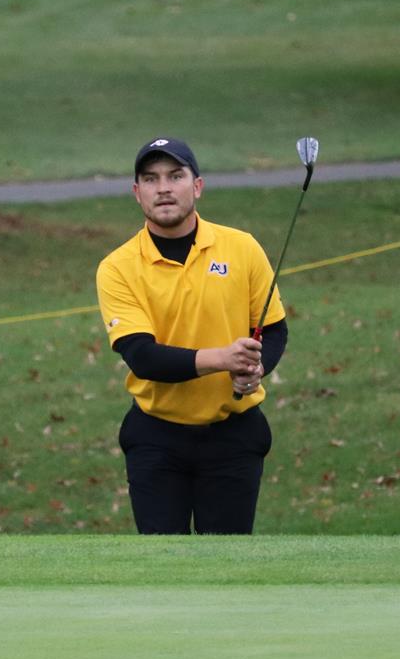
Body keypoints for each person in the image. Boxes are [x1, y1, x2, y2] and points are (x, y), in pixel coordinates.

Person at [95, 137, 289, 534]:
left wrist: (256, 369)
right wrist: (223, 359)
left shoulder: (242, 248)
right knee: (164, 571)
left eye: (175, 176)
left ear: (197, 186)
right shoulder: (117, 267)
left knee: (226, 569)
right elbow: (143, 357)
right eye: (150, 179)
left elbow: (272, 328)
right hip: (157, 438)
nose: (163, 187)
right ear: (137, 193)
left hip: (234, 435)